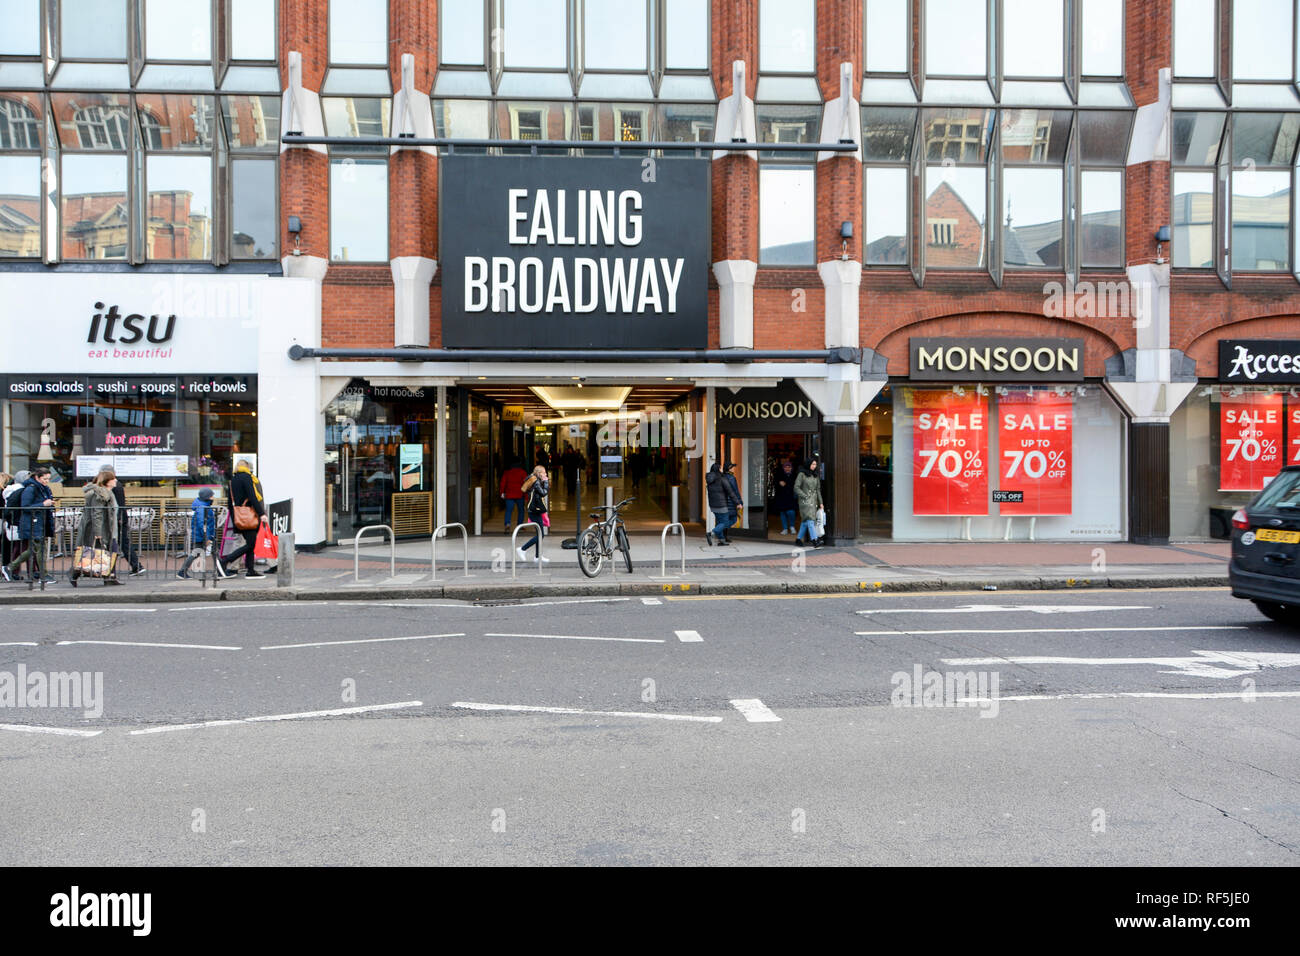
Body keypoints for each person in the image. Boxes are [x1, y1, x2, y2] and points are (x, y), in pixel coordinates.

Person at [2, 467, 56, 584]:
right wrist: (43, 504)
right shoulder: (31, 489)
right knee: (38, 548)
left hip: (38, 522)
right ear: (37, 477)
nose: (47, 481)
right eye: (44, 479)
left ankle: (10, 568)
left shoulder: (41, 488)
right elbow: (25, 506)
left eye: (48, 479)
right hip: (32, 522)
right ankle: (43, 575)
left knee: (33, 549)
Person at [71, 469, 122, 587]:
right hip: (102, 529)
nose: (116, 481)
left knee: (110, 551)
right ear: (107, 481)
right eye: (113, 479)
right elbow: (97, 514)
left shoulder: (109, 493)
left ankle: (110, 577)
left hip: (109, 528)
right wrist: (98, 533)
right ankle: (75, 573)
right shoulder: (99, 494)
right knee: (92, 553)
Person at [220, 459, 267, 578]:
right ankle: (225, 561)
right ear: (247, 467)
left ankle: (250, 570)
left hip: (239, 517)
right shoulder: (247, 478)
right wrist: (262, 513)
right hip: (249, 516)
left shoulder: (233, 480)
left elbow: (230, 502)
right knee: (251, 544)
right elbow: (253, 497)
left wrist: (234, 520)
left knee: (251, 543)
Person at [104, 467, 145, 576]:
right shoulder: (117, 485)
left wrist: (118, 518)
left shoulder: (114, 486)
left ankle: (135, 566)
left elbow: (118, 504)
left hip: (118, 519)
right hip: (120, 518)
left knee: (120, 543)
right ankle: (135, 566)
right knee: (123, 543)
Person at [177, 488, 223, 579]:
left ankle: (220, 571)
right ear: (207, 497)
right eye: (211, 496)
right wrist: (207, 538)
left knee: (211, 552)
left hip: (203, 535)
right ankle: (220, 571)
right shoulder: (203, 508)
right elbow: (202, 524)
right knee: (203, 552)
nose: (213, 498)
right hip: (203, 535)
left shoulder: (202, 506)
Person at [515, 465, 551, 565]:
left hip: (535, 510)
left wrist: (543, 481)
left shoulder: (535, 480)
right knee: (540, 534)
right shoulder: (536, 482)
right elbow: (543, 493)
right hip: (534, 511)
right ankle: (522, 549)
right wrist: (546, 482)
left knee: (539, 533)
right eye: (544, 473)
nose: (546, 474)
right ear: (539, 473)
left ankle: (537, 556)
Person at [705, 461, 742, 546]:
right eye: (720, 468)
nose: (722, 469)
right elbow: (731, 492)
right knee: (727, 522)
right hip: (722, 505)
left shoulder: (710, 479)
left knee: (720, 523)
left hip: (713, 506)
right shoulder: (722, 479)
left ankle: (721, 540)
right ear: (718, 469)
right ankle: (711, 533)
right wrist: (738, 503)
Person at [794, 458, 824, 548]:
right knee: (810, 520)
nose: (814, 466)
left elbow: (818, 490)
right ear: (808, 464)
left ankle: (798, 539)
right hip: (804, 501)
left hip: (813, 501)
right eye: (812, 464)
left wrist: (821, 502)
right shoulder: (801, 474)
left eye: (815, 464)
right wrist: (805, 496)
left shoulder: (815, 475)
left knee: (805, 521)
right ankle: (815, 540)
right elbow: (796, 487)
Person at [499, 458, 528, 533]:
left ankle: (507, 524)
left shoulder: (507, 472)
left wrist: (502, 492)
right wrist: (526, 496)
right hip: (520, 494)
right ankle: (520, 525)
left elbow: (503, 483)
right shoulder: (523, 472)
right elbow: (525, 485)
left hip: (509, 494)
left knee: (508, 510)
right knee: (521, 510)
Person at [772, 459, 798, 534]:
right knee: (782, 512)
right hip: (782, 497)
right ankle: (785, 528)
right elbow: (775, 483)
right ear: (783, 468)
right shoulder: (780, 475)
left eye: (789, 467)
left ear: (791, 468)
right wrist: (779, 482)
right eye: (785, 467)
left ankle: (792, 526)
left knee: (791, 512)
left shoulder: (795, 475)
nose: (787, 468)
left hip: (791, 497)